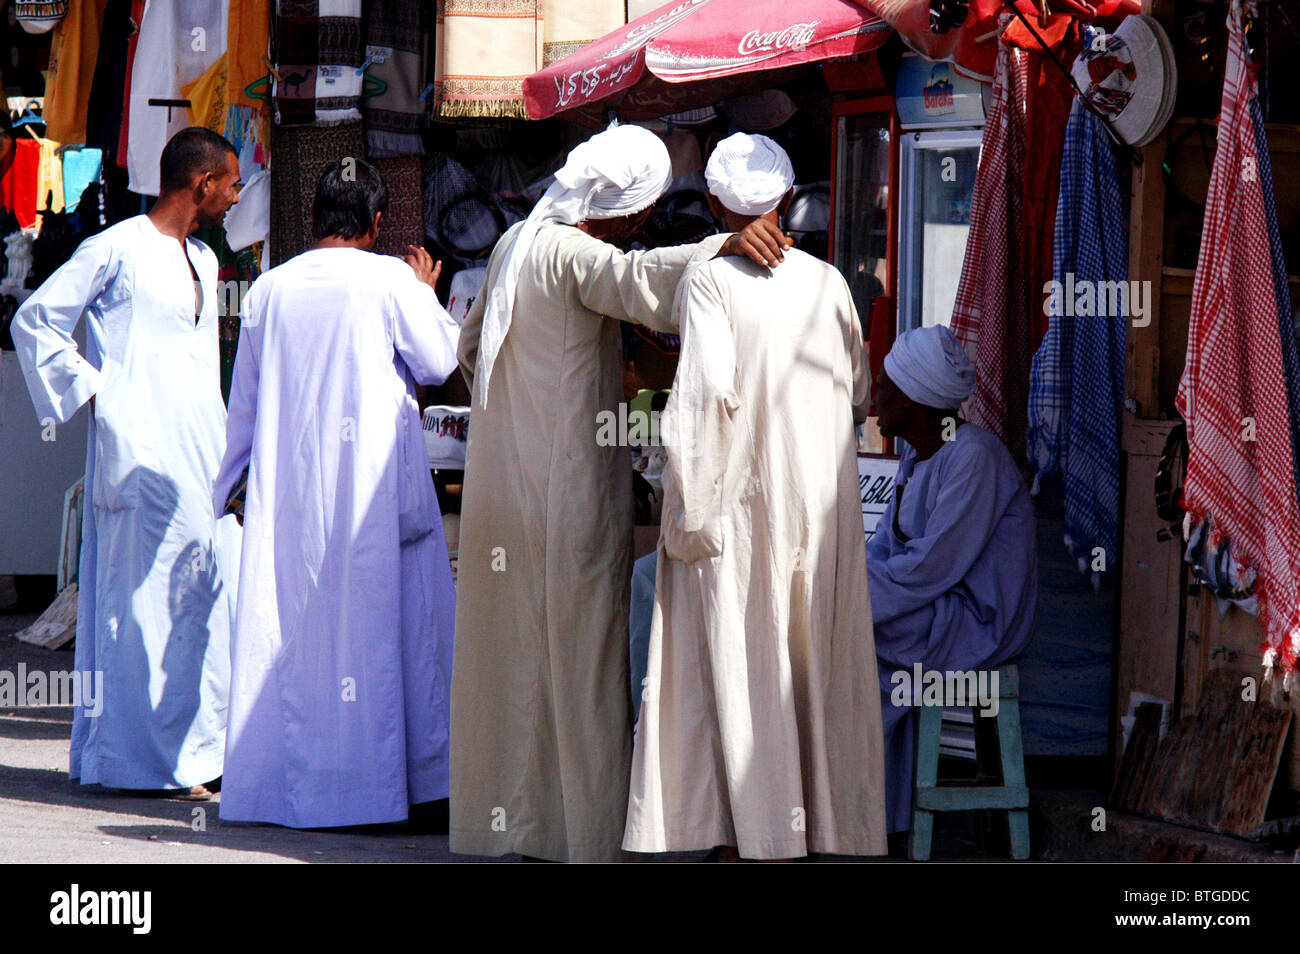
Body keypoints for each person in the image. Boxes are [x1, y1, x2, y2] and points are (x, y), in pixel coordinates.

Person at [452, 123, 790, 863]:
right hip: (566, 494)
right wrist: (720, 247)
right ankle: (590, 838)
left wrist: (516, 414)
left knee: (520, 661)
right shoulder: (574, 253)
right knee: (584, 664)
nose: (639, 224)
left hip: (504, 489)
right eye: (639, 210)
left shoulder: (514, 245)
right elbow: (639, 282)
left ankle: (525, 825)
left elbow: (470, 350)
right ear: (622, 204)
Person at [622, 133, 887, 862]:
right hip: (818, 511)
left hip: (740, 511)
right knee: (807, 661)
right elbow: (859, 392)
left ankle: (753, 836)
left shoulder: (709, 282)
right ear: (788, 201)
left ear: (714, 205)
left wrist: (687, 519)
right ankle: (816, 832)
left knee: (745, 660)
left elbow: (703, 403)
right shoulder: (831, 284)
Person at [212, 160, 461, 828]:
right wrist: (425, 292)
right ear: (377, 224)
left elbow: (246, 403)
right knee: (402, 642)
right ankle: (403, 793)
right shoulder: (390, 280)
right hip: (378, 495)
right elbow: (440, 362)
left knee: (299, 641)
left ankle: (297, 790)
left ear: (315, 218)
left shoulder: (270, 288)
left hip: (293, 503)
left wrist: (228, 486)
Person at [10, 127, 242, 796]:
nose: (234, 195)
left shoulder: (202, 255)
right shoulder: (115, 248)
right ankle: (139, 761)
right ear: (201, 184)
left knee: (199, 598)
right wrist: (100, 395)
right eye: (230, 183)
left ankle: (197, 754)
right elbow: (37, 320)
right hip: (138, 452)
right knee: (137, 605)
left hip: (199, 456)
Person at [868, 325, 1038, 835]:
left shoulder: (974, 456)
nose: (876, 395)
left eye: (886, 387)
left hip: (978, 620)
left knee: (850, 638)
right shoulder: (917, 455)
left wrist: (843, 597)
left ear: (917, 403)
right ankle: (880, 812)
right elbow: (885, 549)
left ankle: (864, 808)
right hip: (937, 607)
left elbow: (929, 569)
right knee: (841, 634)